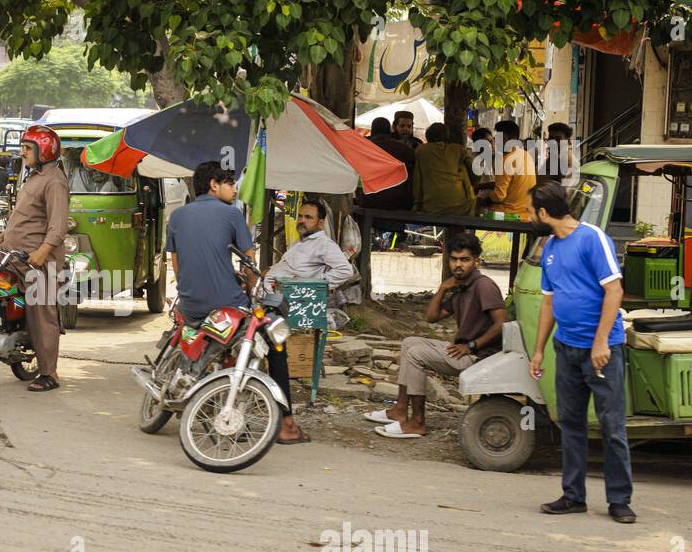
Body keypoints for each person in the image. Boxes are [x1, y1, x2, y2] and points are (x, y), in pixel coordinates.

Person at [166, 161, 307, 444]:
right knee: (275, 345)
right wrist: (255, 290)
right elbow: (249, 265)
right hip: (225, 306)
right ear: (214, 185)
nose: (234, 189)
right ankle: (286, 424)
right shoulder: (231, 214)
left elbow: (177, 262)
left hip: (190, 305)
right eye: (229, 183)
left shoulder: (178, 216)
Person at [528, 181, 635, 524]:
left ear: (544, 213)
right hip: (567, 349)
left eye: (531, 211)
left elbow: (614, 290)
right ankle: (574, 496)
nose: (529, 216)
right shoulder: (549, 248)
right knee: (571, 424)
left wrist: (601, 342)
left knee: (611, 426)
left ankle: (619, 500)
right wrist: (539, 351)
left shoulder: (592, 238)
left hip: (602, 351)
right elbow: (549, 301)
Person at [368, 232, 506, 438]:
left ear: (477, 261)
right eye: (454, 259)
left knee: (416, 354)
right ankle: (399, 410)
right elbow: (432, 317)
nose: (458, 265)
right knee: (409, 343)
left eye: (465, 260)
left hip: (479, 357)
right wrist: (442, 288)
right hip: (464, 351)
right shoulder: (461, 286)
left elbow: (502, 323)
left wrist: (471, 345)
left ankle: (417, 422)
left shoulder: (483, 286)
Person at [0, 124, 69, 393]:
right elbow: (24, 214)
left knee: (42, 315)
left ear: (44, 151)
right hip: (15, 256)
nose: (23, 152)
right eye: (23, 147)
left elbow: (58, 225)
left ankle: (49, 373)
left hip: (39, 261)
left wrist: (41, 252)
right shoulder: (33, 176)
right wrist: (3, 236)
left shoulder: (54, 181)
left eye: (28, 148)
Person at [265, 199, 355, 304]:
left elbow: (345, 271)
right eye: (300, 216)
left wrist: (312, 286)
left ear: (320, 223)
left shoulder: (324, 244)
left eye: (308, 217)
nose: (302, 220)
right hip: (272, 297)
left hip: (292, 302)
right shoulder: (301, 241)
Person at [413, 122, 477, 217]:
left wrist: (416, 205)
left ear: (428, 136)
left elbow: (417, 180)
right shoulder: (458, 149)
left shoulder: (421, 150)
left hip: (432, 208)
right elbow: (475, 171)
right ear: (447, 136)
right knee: (462, 168)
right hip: (462, 207)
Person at [481, 119, 536, 219]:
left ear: (505, 139)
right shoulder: (526, 155)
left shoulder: (506, 161)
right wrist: (483, 186)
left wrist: (481, 201)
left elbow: (499, 196)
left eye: (496, 137)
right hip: (525, 215)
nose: (494, 141)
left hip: (506, 215)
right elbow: (512, 183)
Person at [362, 116, 414, 211]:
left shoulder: (363, 147)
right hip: (396, 202)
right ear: (390, 130)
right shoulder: (404, 149)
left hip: (367, 199)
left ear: (372, 131)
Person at [539, 122, 578, 187]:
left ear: (567, 141)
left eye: (558, 139)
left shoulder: (567, 161)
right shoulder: (554, 157)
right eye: (551, 138)